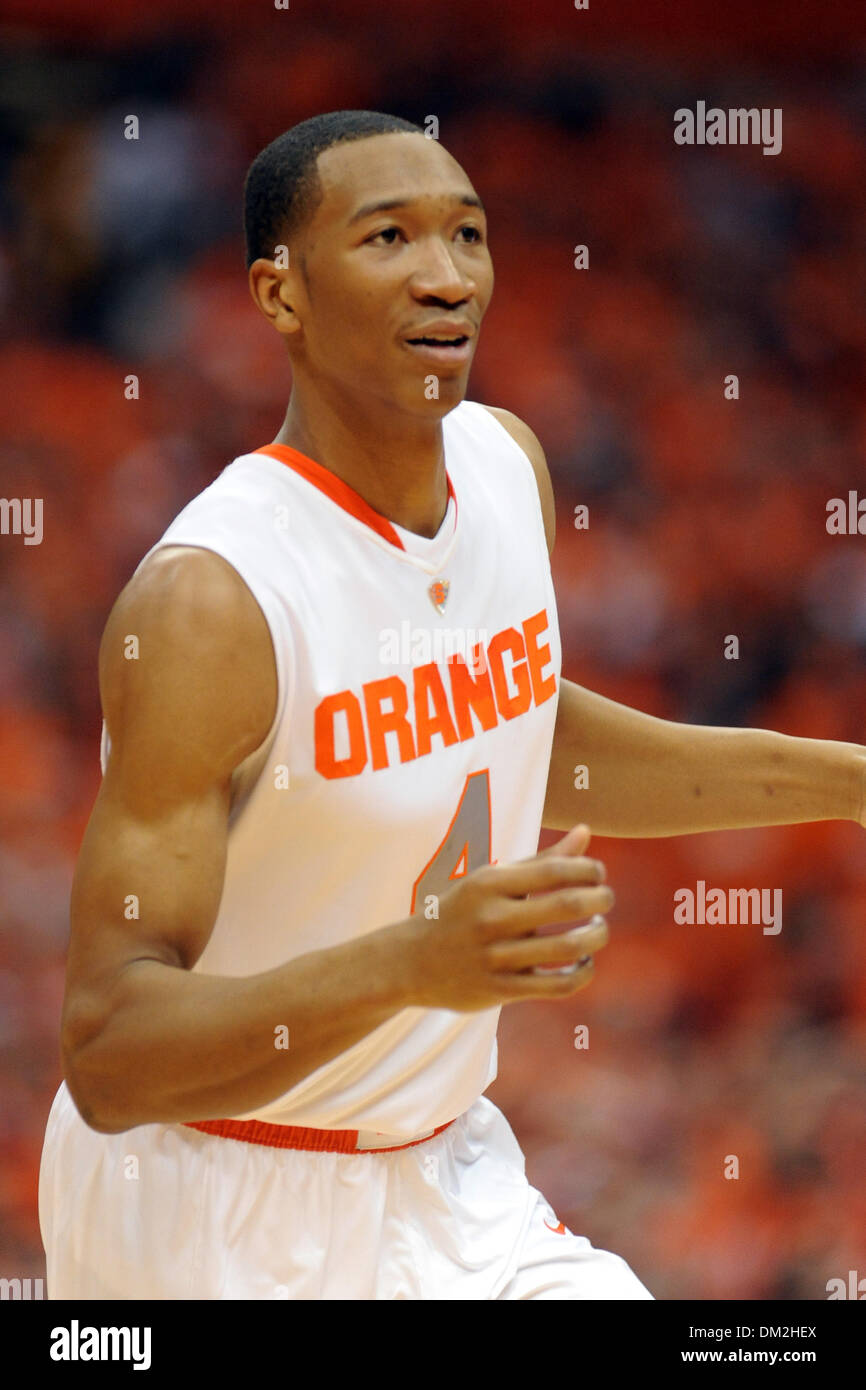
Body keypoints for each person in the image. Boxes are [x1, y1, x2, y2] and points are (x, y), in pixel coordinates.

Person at [39, 110, 865, 1301]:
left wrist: (844, 782)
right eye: (386, 236)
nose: (444, 274)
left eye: (466, 233)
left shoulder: (500, 463)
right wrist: (416, 963)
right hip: (207, 1203)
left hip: (446, 1175)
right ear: (279, 295)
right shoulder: (211, 604)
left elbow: (530, 738)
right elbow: (112, 1054)